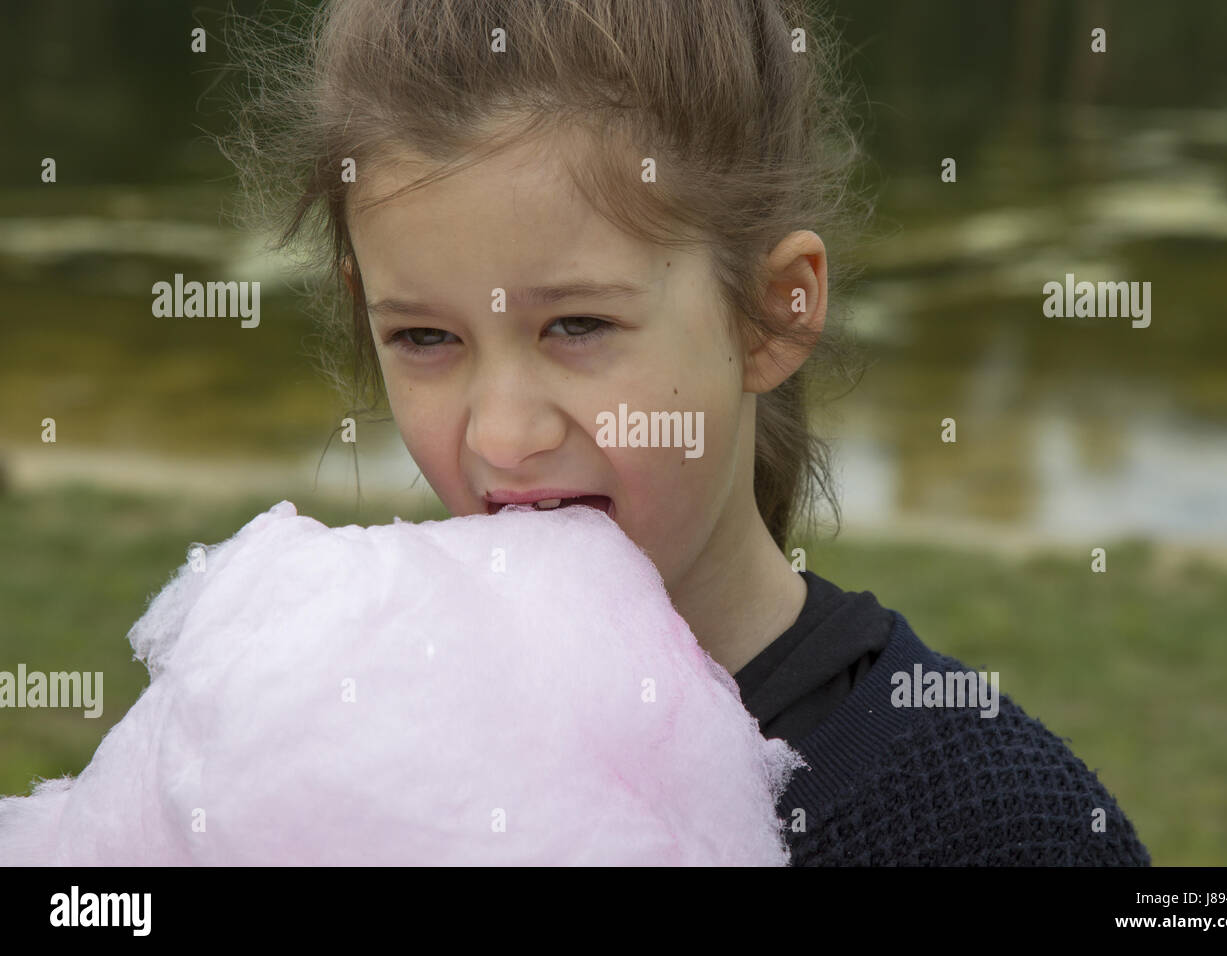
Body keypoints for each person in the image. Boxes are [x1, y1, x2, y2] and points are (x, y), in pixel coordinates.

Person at [223, 0, 1150, 865]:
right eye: (426, 337)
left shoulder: (1005, 827)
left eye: (577, 326)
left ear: (771, 314)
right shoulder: (336, 734)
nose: (503, 437)